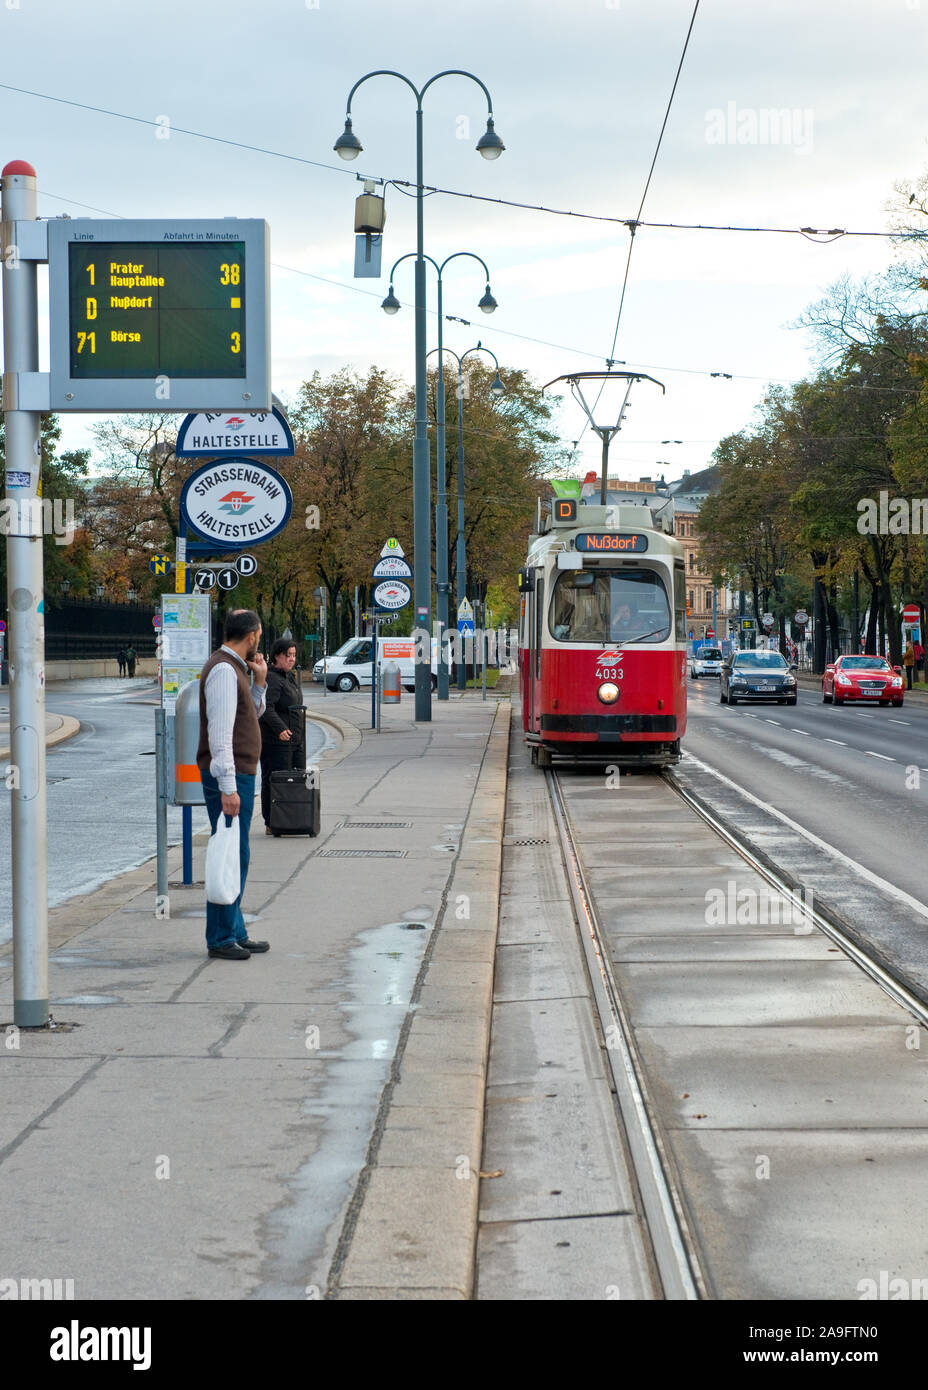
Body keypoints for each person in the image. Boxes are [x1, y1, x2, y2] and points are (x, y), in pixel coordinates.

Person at [197, 609, 269, 961]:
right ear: (252, 635)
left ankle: (235, 930)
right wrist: (227, 787)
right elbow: (221, 735)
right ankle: (222, 936)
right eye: (258, 635)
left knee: (237, 852)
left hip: (239, 774)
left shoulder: (234, 669)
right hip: (231, 776)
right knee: (230, 854)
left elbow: (249, 716)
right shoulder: (224, 670)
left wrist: (260, 683)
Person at [259, 638, 305, 832]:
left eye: (294, 655)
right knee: (274, 780)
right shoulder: (272, 678)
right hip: (276, 742)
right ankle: (271, 821)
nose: (292, 659)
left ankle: (291, 818)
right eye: (288, 655)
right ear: (278, 656)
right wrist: (280, 729)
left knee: (297, 779)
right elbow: (266, 709)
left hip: (296, 740)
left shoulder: (290, 677)